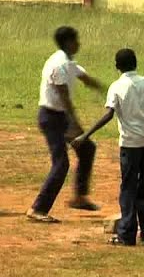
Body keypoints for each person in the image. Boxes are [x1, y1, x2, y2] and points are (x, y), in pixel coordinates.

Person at [73, 49, 144, 246]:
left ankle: (126, 234)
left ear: (117, 66)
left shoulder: (117, 87)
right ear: (136, 63)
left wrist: (86, 135)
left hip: (130, 145)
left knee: (128, 188)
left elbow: (109, 115)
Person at [27, 26, 106, 223]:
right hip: (52, 118)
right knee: (61, 163)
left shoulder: (68, 62)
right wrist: (74, 124)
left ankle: (79, 197)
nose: (79, 43)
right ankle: (38, 208)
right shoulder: (59, 64)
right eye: (76, 39)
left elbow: (85, 78)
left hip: (60, 117)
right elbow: (64, 99)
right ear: (69, 42)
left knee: (87, 148)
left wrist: (108, 90)